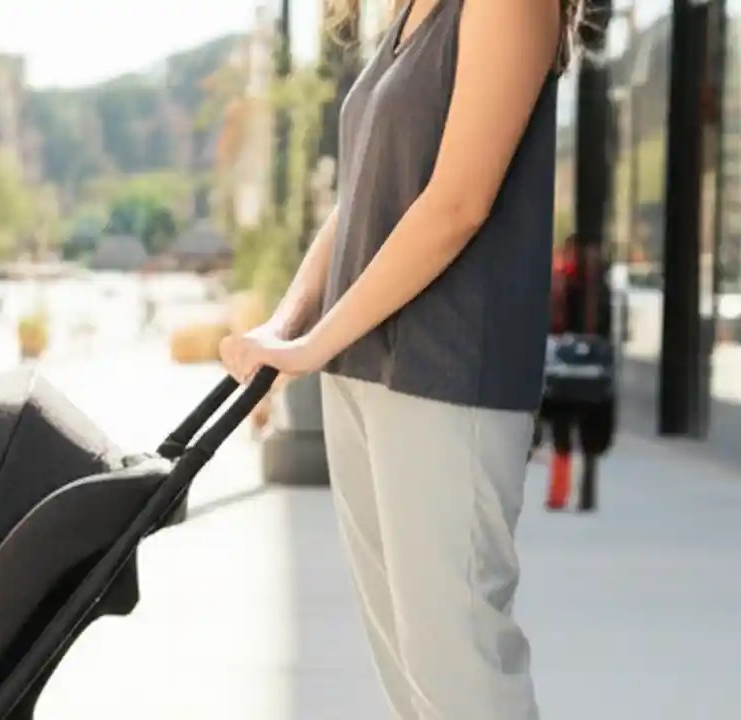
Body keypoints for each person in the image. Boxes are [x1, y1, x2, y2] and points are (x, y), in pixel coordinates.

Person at [219, 0, 576, 717]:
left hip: (447, 378)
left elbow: (458, 203)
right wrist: (287, 327)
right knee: (411, 677)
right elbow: (358, 202)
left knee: (461, 675)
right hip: (363, 373)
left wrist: (315, 343)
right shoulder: (414, 11)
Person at [540, 233, 615, 511]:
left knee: (562, 436)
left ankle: (559, 495)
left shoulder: (561, 285)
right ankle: (586, 495)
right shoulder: (601, 290)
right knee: (588, 438)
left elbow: (551, 324)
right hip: (593, 374)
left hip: (564, 371)